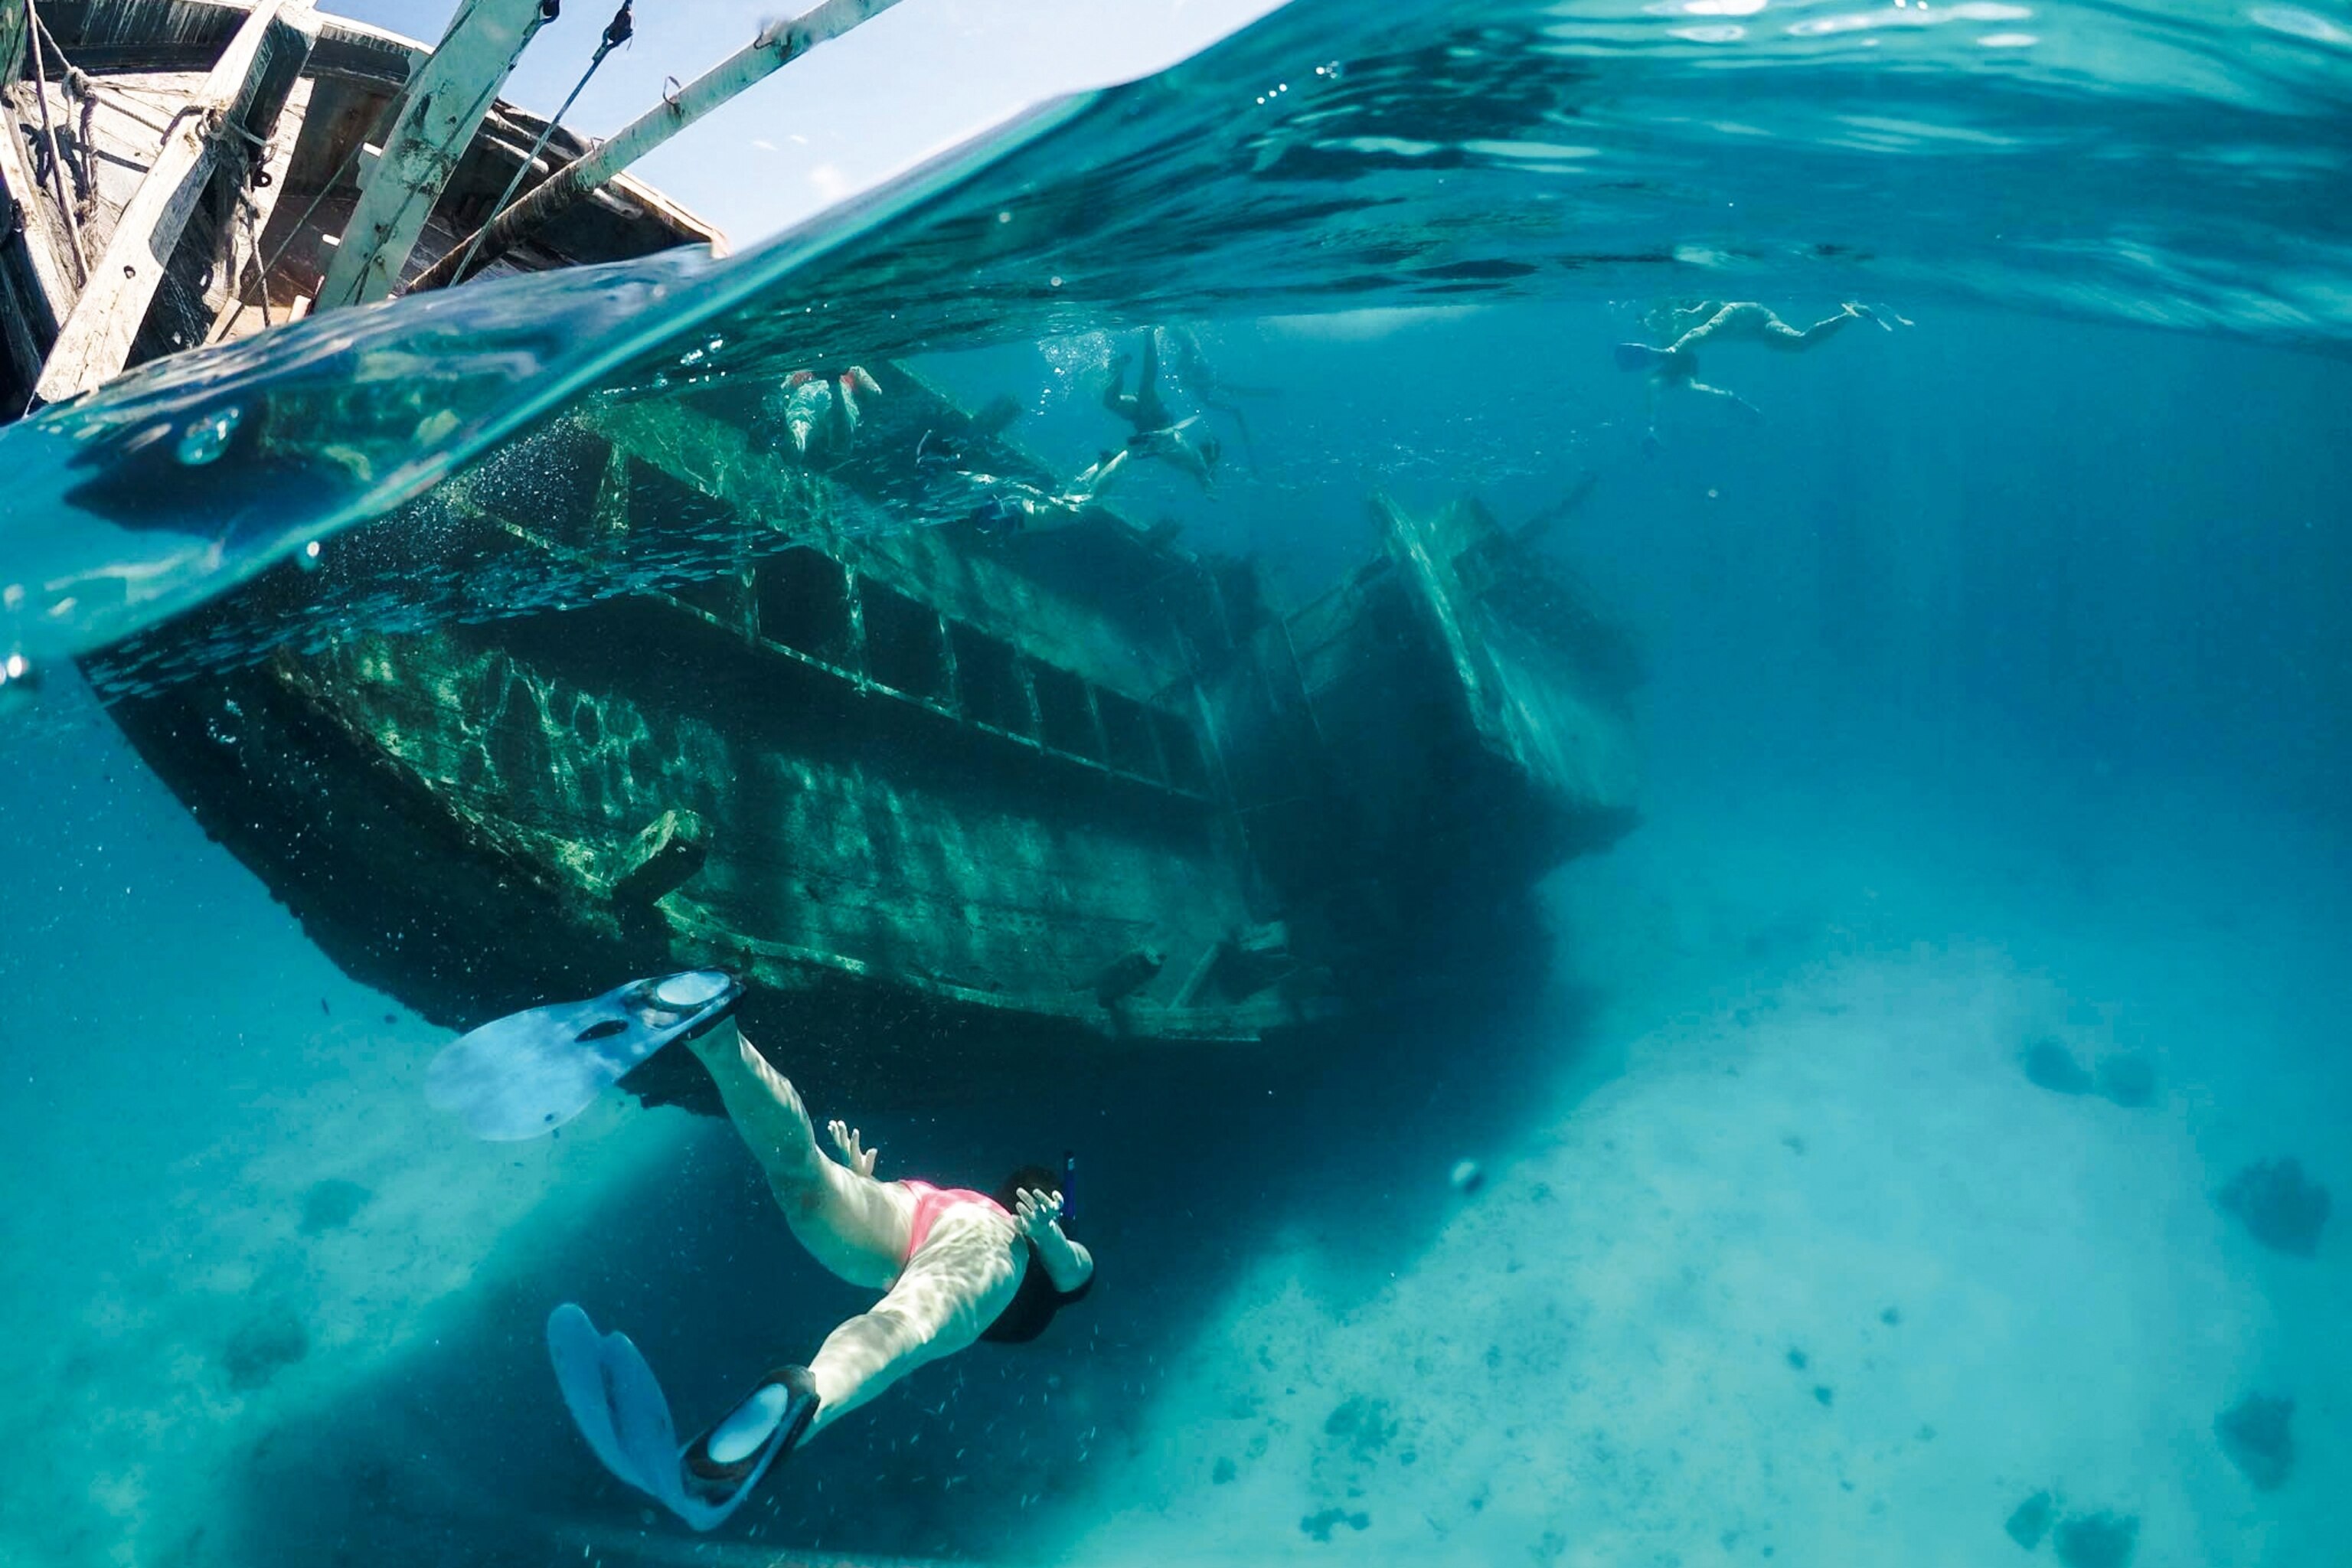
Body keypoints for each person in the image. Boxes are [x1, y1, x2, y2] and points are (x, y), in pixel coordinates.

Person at [427, 971, 1095, 1530]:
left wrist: (859, 1182)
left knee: (801, 1174)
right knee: (902, 1330)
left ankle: (718, 1038)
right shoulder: (1017, 1243)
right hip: (956, 1242)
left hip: (914, 1210)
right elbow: (1072, 1273)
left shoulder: (998, 1217)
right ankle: (807, 1404)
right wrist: (1043, 1234)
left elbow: (1055, 1263)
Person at [1613, 301, 1888, 447]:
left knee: (1704, 337)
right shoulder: (1670, 318)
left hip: (1745, 314)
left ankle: (1671, 353)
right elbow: (1702, 315)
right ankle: (1852, 313)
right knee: (1802, 343)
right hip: (1756, 327)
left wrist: (1684, 328)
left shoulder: (1693, 313)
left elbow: (1706, 317)